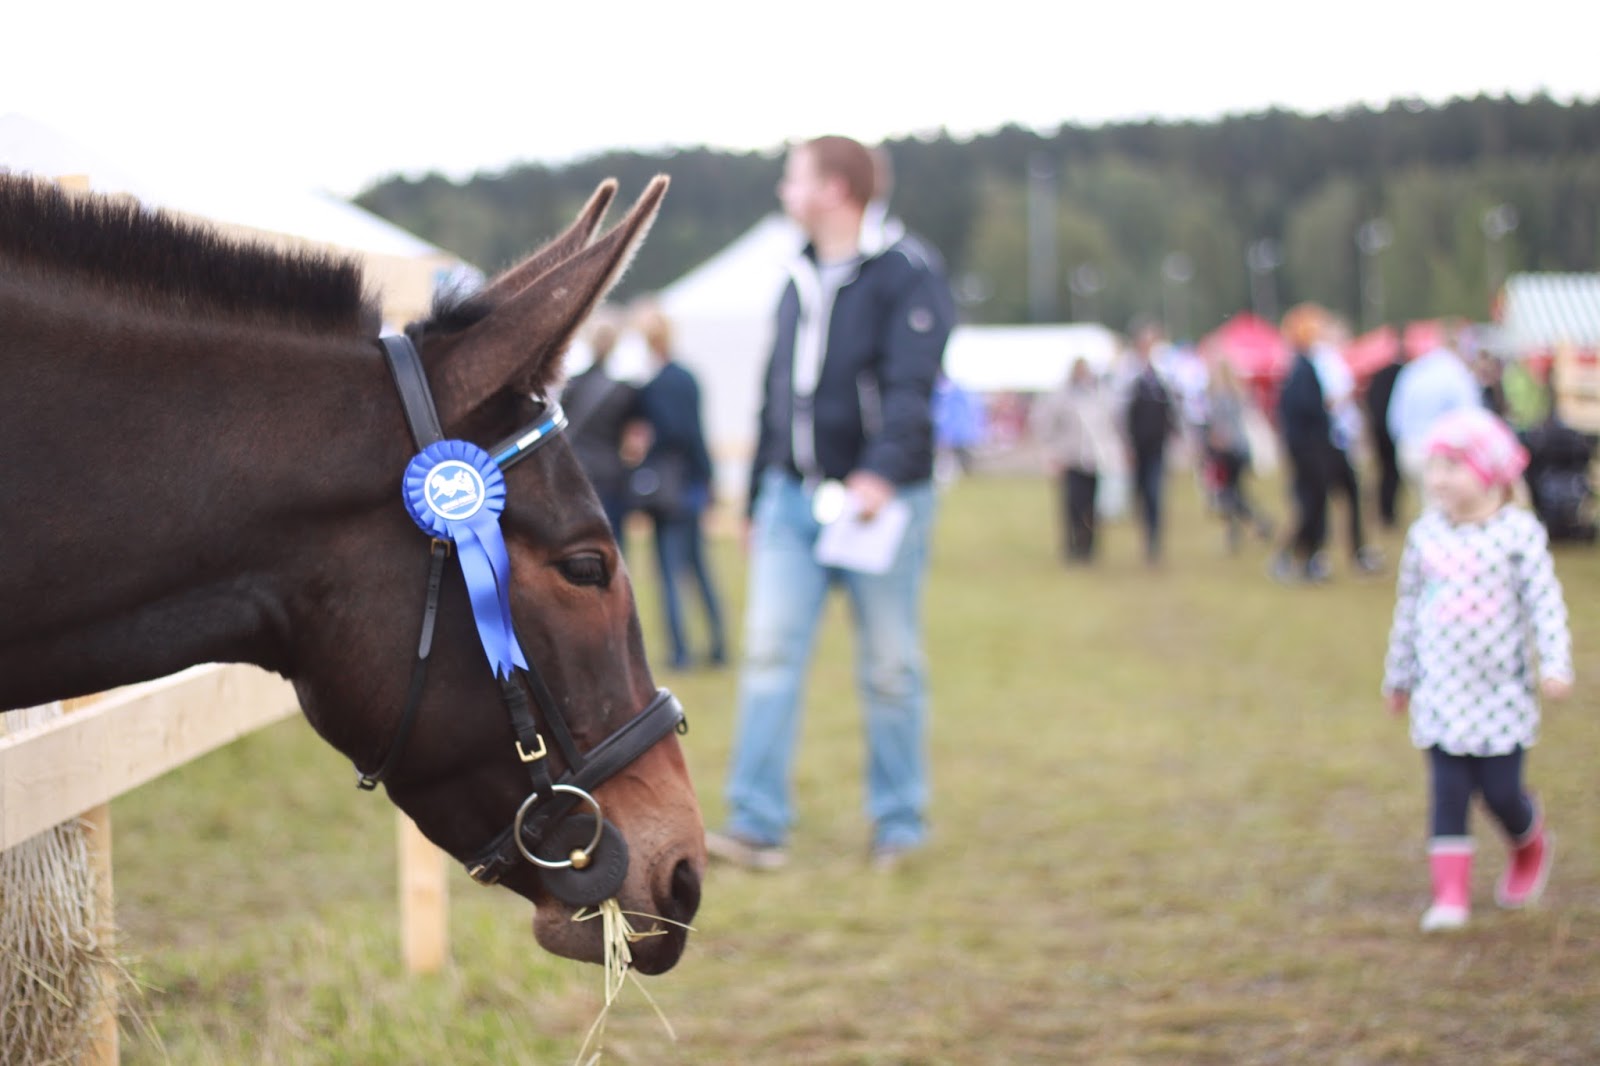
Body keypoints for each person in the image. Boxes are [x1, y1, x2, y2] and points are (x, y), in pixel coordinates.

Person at [706, 134, 954, 872]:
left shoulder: (908, 273)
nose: (785, 191)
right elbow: (774, 394)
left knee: (889, 664)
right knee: (769, 654)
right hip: (791, 499)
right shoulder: (794, 278)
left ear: (835, 189)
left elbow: (914, 388)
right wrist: (756, 496)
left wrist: (879, 476)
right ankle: (755, 823)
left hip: (881, 502)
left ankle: (899, 821)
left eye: (794, 178)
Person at [1382, 406, 1572, 932]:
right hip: (1440, 694)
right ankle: (1450, 897)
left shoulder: (1519, 536)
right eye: (1434, 466)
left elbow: (1545, 606)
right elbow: (1408, 612)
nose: (1437, 478)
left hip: (1500, 696)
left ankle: (1529, 843)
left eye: (1452, 466)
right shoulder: (1426, 536)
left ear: (1489, 473)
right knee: (1447, 792)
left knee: (1500, 793)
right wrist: (1398, 677)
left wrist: (1554, 664)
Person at [631, 301, 725, 671]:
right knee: (700, 568)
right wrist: (708, 477)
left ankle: (680, 651)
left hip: (670, 489)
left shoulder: (655, 386)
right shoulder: (688, 377)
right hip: (692, 484)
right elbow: (697, 434)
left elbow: (674, 433)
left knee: (670, 570)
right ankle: (717, 645)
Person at [558, 307, 640, 546]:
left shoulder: (572, 386)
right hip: (611, 475)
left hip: (576, 474)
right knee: (614, 545)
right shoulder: (624, 391)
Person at [1312, 320, 1382, 574]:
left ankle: (1354, 551)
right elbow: (1325, 401)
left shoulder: (1333, 361)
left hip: (1341, 440)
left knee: (1350, 498)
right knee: (1320, 500)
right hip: (1331, 441)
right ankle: (1315, 554)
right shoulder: (1324, 361)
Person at [1030, 356, 1115, 563]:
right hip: (1070, 458)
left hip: (1092, 460)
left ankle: (1089, 547)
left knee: (1091, 507)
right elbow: (1045, 425)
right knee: (1072, 506)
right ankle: (1072, 547)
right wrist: (1052, 454)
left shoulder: (1097, 395)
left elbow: (1106, 427)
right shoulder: (1062, 397)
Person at [1387, 319, 1482, 498]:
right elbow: (1470, 417)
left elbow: (1395, 418)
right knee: (1441, 511)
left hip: (1408, 449)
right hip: (1440, 454)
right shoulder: (1457, 373)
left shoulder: (1413, 369)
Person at [1272, 304, 1332, 582]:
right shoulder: (1301, 368)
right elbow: (1303, 408)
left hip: (1306, 445)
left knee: (1311, 503)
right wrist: (1325, 410)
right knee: (1310, 504)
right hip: (1308, 447)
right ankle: (1295, 558)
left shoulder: (1299, 366)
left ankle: (1305, 558)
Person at [1120, 323, 1178, 565]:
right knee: (1140, 493)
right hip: (1137, 446)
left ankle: (1154, 539)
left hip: (1157, 446)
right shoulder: (1128, 374)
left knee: (1155, 492)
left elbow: (1172, 410)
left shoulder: (1164, 374)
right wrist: (1125, 445)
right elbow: (1121, 413)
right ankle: (1146, 532)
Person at [1201, 358, 1272, 553]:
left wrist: (1217, 443)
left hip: (1229, 450)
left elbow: (1223, 427)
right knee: (1235, 492)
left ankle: (1253, 523)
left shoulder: (1222, 396)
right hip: (1239, 449)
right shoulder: (1236, 394)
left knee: (1229, 494)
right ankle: (1242, 530)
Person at [1364, 346, 1407, 529]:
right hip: (1393, 431)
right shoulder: (1404, 374)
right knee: (1392, 473)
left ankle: (1383, 511)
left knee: (1383, 472)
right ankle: (1388, 513)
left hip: (1378, 430)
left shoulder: (1378, 375)